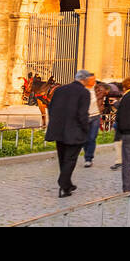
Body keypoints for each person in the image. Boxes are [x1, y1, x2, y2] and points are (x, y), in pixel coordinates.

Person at [45, 70, 94, 198]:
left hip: (58, 130)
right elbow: (82, 114)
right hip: (74, 131)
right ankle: (63, 184)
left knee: (63, 158)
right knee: (70, 159)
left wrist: (55, 123)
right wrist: (86, 129)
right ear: (85, 79)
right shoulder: (84, 92)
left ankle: (67, 184)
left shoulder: (60, 90)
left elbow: (50, 108)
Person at [83, 77, 102, 167]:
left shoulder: (98, 90)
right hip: (85, 116)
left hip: (95, 116)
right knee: (85, 138)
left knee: (92, 137)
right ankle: (87, 153)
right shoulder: (82, 90)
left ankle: (88, 158)